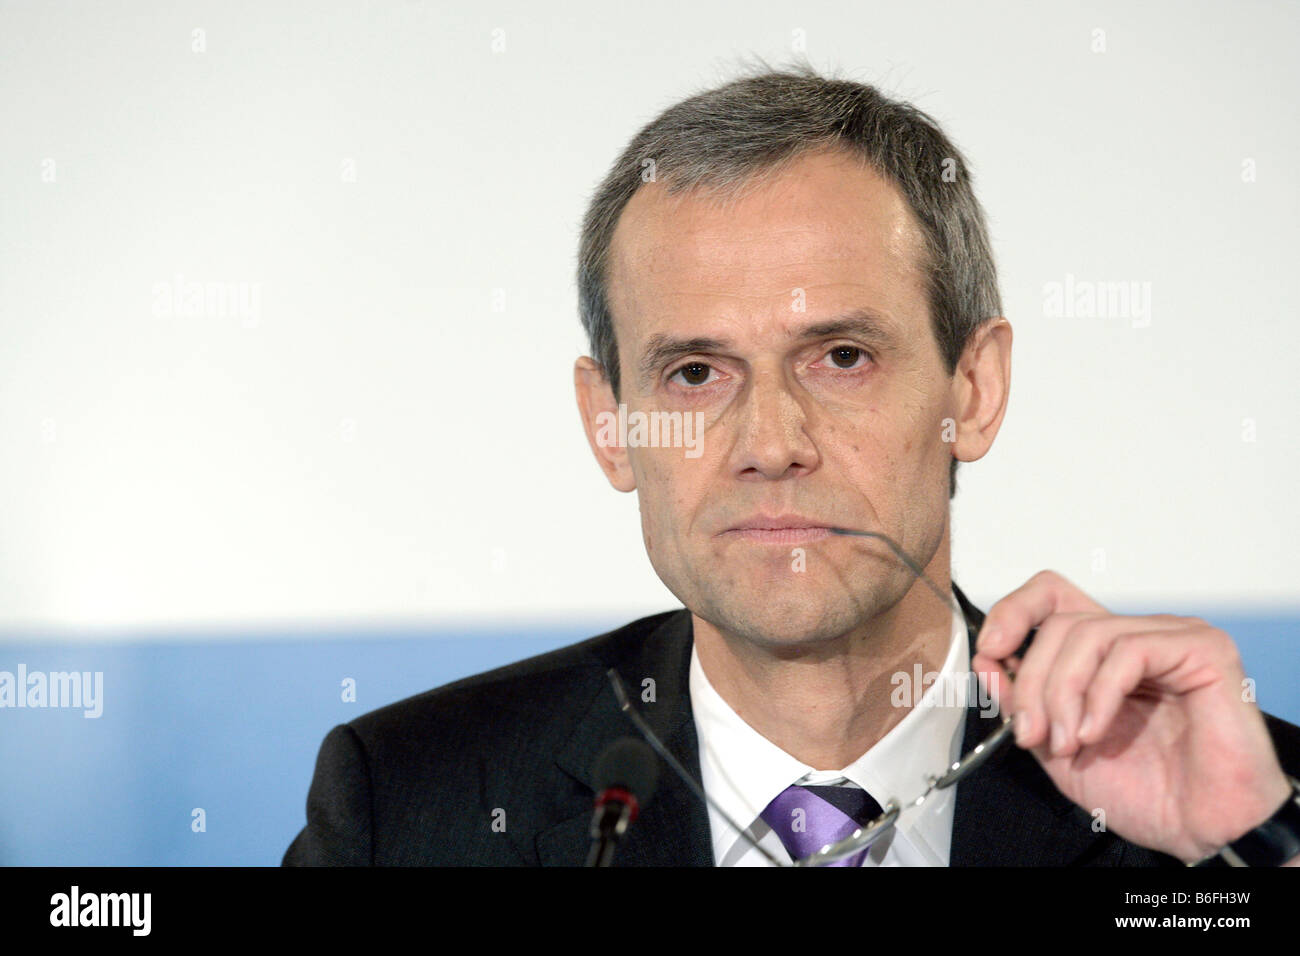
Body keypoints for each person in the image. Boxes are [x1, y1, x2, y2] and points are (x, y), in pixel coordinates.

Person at [283, 63, 1300, 867]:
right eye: (693, 372)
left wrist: (1255, 848)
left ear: (973, 389)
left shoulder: (1247, 801)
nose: (771, 442)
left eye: (842, 357)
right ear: (610, 425)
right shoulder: (413, 802)